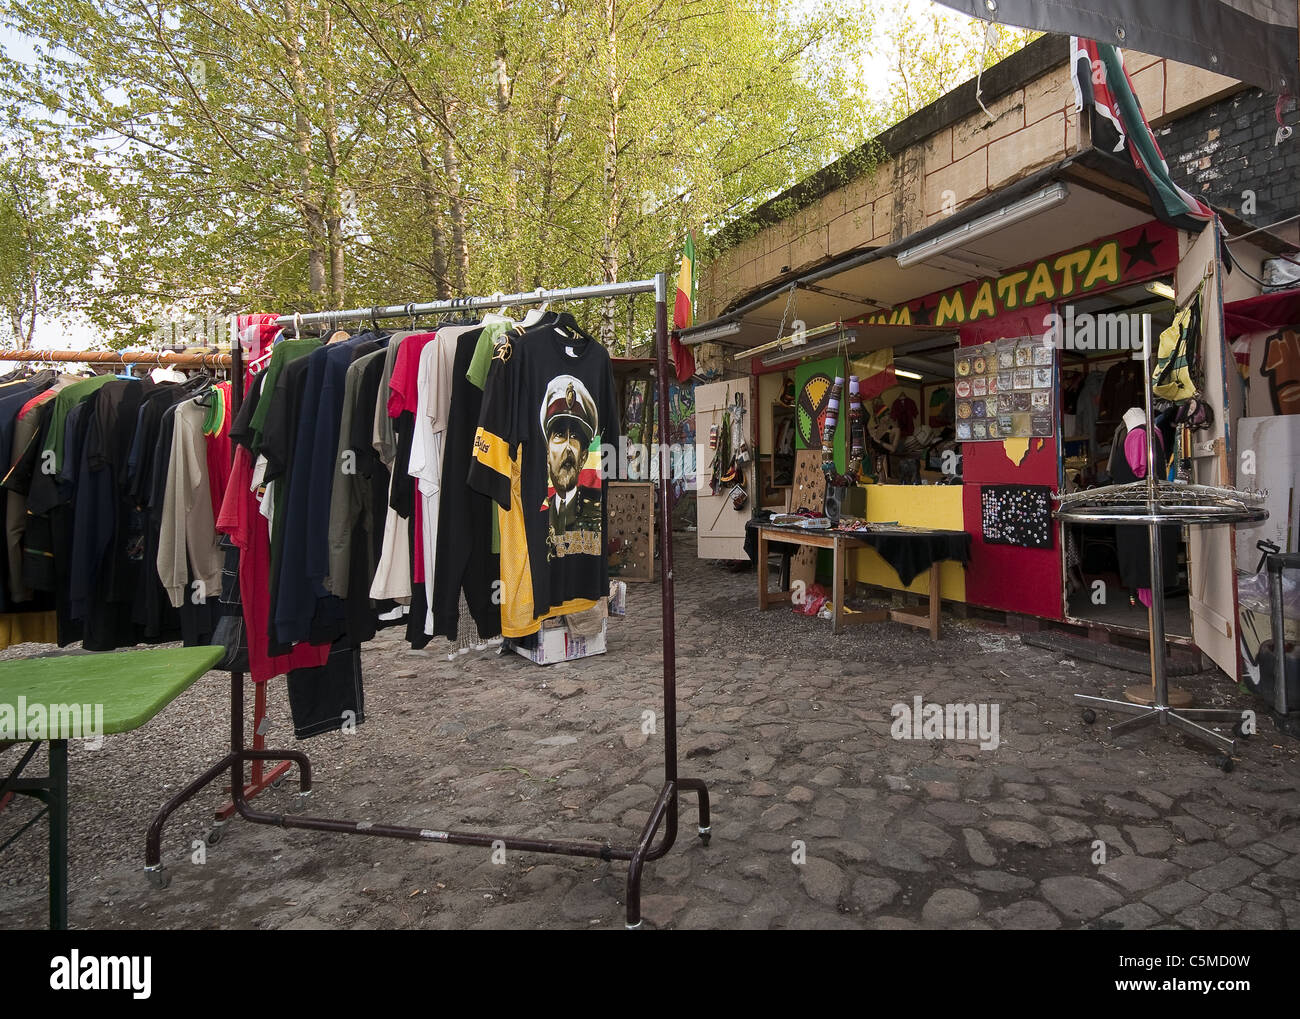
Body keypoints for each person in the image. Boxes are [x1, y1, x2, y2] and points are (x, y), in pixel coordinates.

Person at [540, 376, 602, 550]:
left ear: (583, 457)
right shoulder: (541, 510)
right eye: (559, 435)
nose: (567, 447)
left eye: (574, 437)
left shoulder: (596, 514)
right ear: (547, 451)